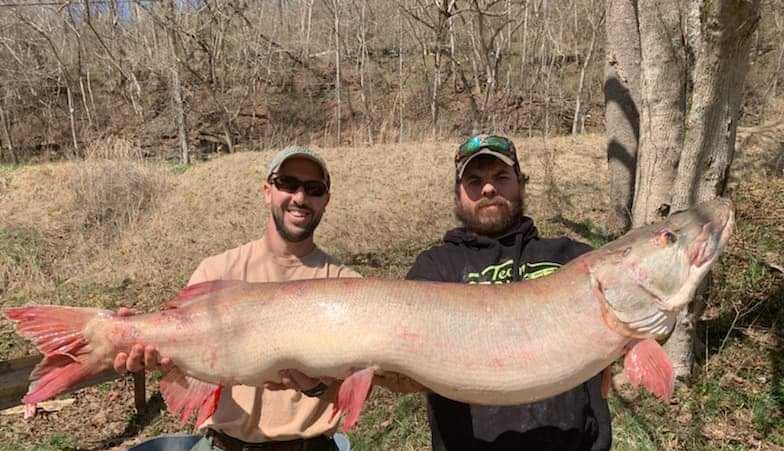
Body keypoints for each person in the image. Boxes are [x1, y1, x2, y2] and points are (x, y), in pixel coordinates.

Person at [115, 146, 361, 451]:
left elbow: (359, 387)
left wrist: (318, 387)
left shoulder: (350, 287)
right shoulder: (216, 271)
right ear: (267, 191)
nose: (300, 197)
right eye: (287, 184)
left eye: (314, 189)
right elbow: (180, 366)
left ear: (326, 200)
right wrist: (144, 346)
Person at [406, 134, 612, 451]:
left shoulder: (572, 258)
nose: (489, 188)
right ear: (458, 194)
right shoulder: (435, 268)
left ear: (521, 183)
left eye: (501, 177)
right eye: (474, 181)